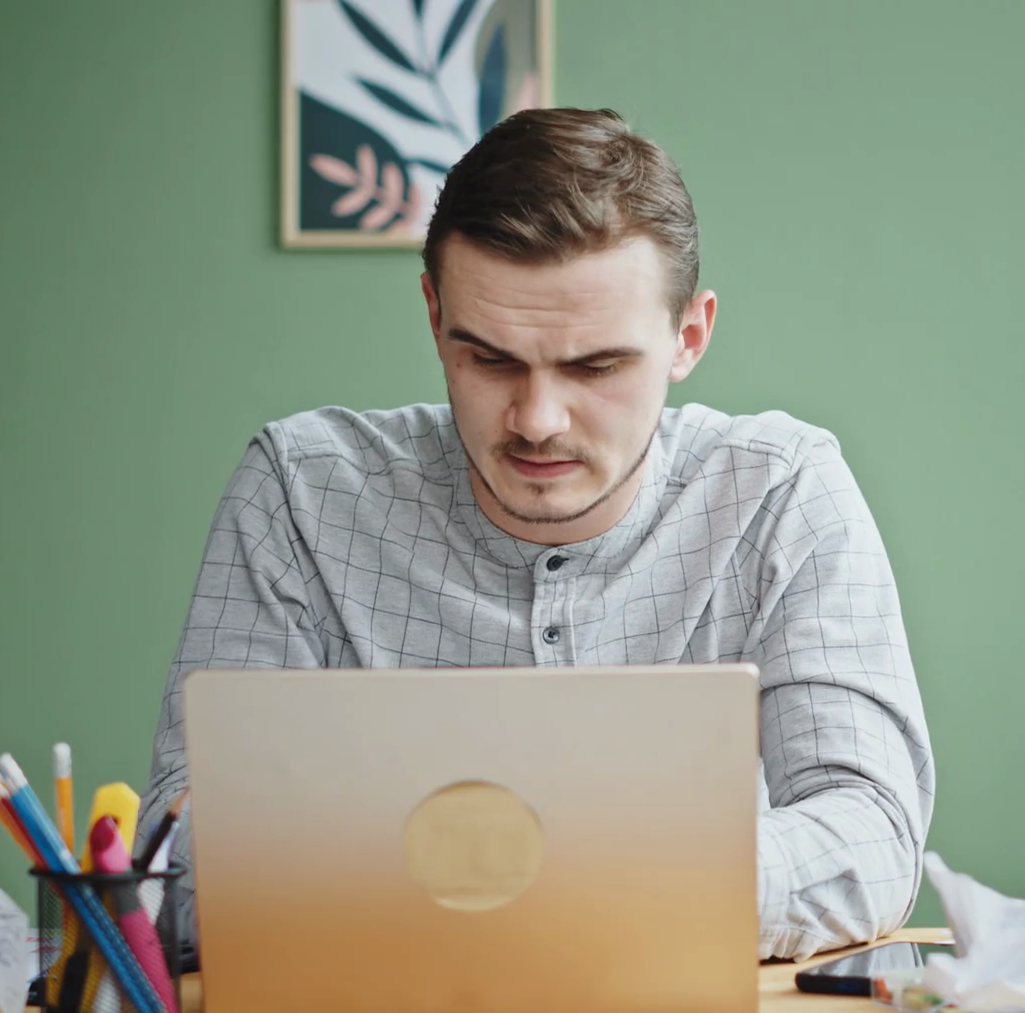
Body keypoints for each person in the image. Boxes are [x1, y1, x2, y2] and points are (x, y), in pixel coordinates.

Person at [139, 108, 934, 961]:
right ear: (434, 313)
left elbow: (871, 832)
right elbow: (176, 861)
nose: (537, 421)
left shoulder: (781, 491)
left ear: (688, 337)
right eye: (490, 359)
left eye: (596, 367)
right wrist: (628, 881)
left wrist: (515, 879)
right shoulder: (300, 490)